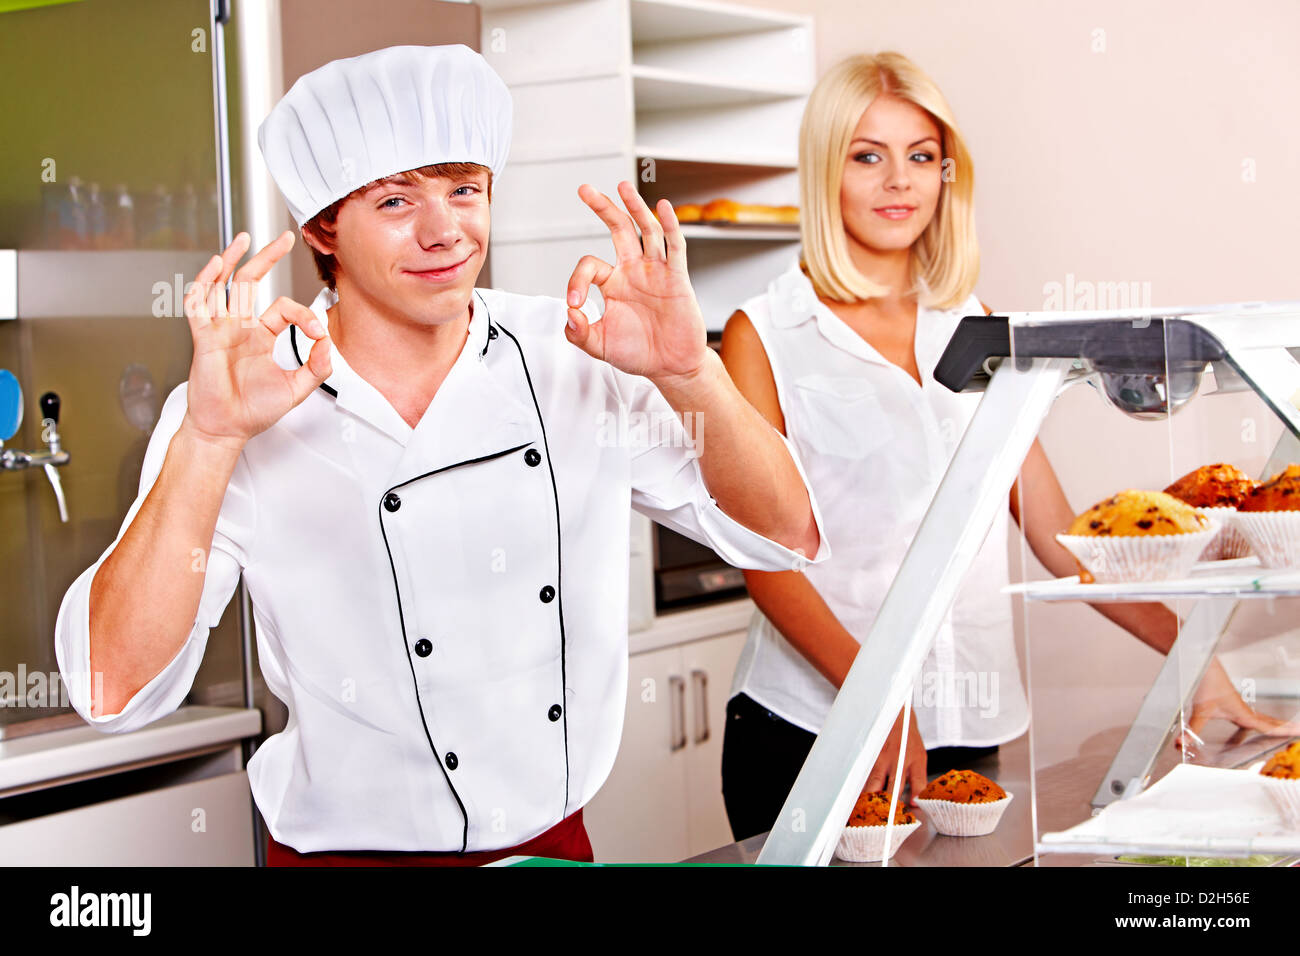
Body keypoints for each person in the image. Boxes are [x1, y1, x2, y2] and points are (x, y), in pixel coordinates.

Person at [53, 44, 826, 866]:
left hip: (554, 852)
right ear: (322, 227)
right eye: (395, 200)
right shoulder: (236, 399)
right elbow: (112, 691)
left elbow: (787, 534)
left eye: (465, 189)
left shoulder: (573, 353)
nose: (444, 231)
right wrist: (207, 442)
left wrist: (690, 370)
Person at [717, 51, 1288, 843]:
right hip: (811, 724)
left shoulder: (972, 321)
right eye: (867, 156)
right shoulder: (764, 335)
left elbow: (1061, 535)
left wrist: (1192, 660)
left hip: (963, 721)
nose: (899, 182)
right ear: (825, 170)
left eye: (921, 157)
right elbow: (764, 559)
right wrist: (874, 702)